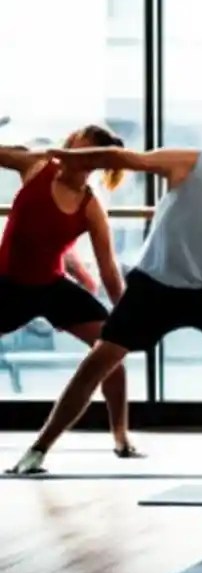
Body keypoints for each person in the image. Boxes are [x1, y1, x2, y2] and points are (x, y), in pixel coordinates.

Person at [8, 111, 202, 475]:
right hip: (153, 286)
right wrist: (66, 155)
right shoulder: (189, 163)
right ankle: (39, 449)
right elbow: (127, 159)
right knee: (97, 364)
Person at [0, 126, 136, 457]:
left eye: (90, 157)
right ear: (70, 144)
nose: (78, 159)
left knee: (111, 350)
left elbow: (109, 269)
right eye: (78, 148)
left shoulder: (90, 206)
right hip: (8, 285)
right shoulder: (34, 166)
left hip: (50, 288)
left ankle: (121, 436)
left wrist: (129, 315)